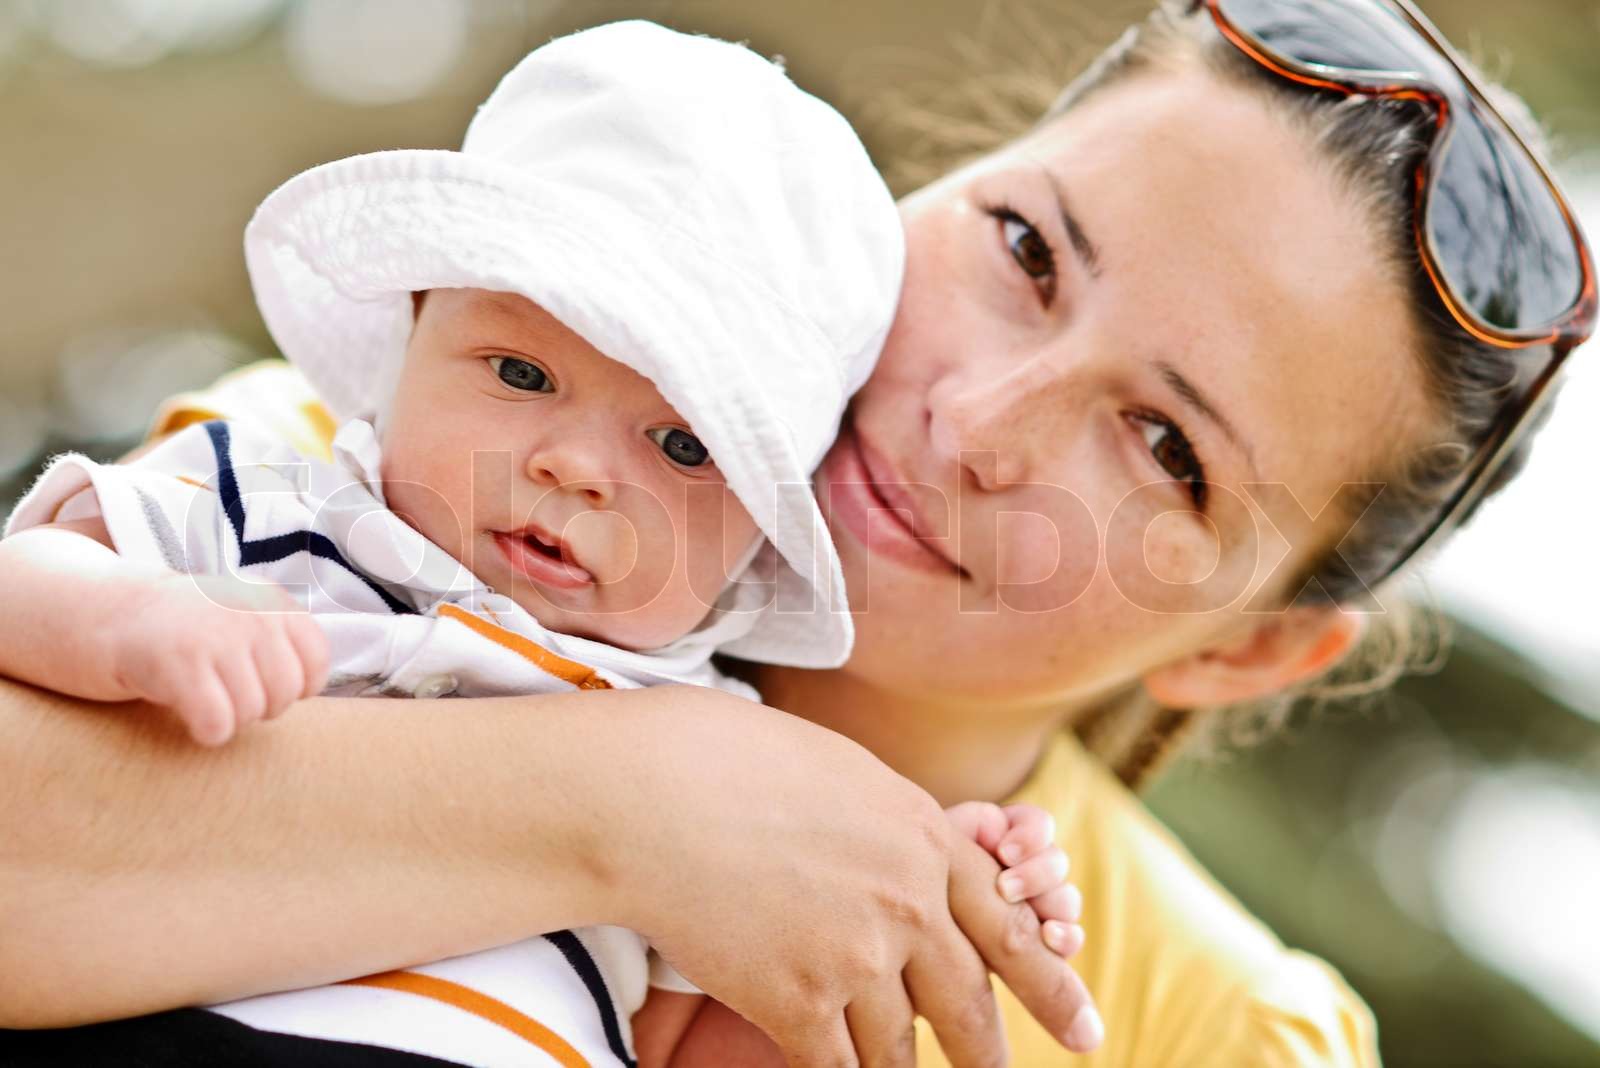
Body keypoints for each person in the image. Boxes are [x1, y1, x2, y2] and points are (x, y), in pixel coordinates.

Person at [1, 0, 1593, 1065]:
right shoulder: (414, 465)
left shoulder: (1213, 1029)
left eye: (1166, 446)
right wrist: (651, 799)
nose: (978, 423)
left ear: (1253, 650)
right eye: (1025, 248)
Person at [0, 21, 1080, 1068]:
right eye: (521, 375)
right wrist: (131, 620)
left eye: (681, 446)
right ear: (413, 330)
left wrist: (930, 891)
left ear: (759, 527)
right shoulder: (272, 504)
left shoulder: (724, 756)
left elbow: (687, 1042)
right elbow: (21, 582)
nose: (576, 467)